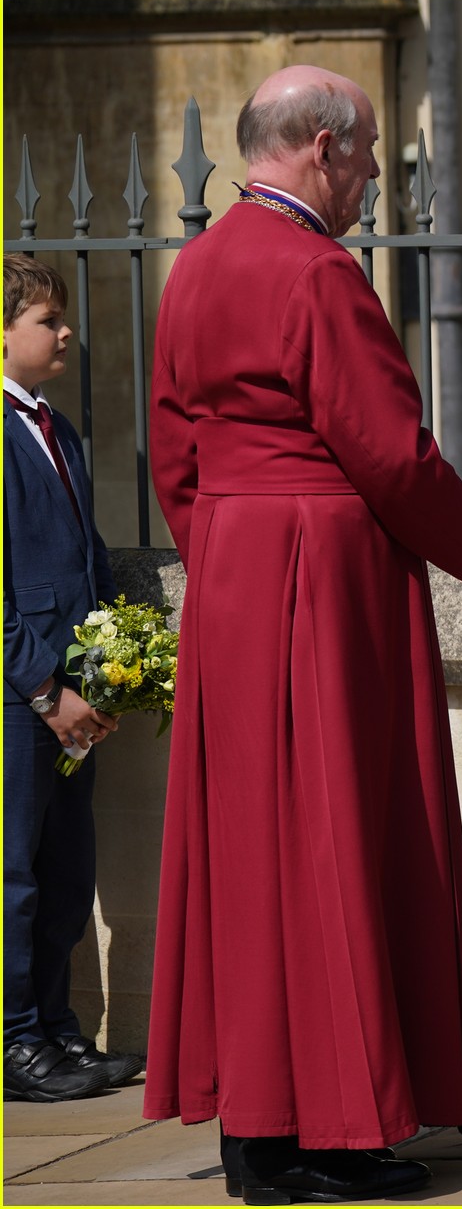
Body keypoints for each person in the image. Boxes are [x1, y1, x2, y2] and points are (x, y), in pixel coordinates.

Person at [143, 65, 462, 1203]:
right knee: (335, 840)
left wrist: (228, 550)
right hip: (327, 582)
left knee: (248, 855)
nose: (371, 179)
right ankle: (332, 1129)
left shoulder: (198, 266)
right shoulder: (318, 272)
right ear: (319, 146)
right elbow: (390, 455)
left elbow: (174, 455)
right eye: (365, 155)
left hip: (231, 571)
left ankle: (257, 1134)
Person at [4, 254, 144, 1102]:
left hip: (70, 694)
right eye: (48, 321)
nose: (66, 334)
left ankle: (58, 1033)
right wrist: (42, 690)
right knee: (15, 875)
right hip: (23, 698)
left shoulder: (56, 428)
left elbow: (84, 562)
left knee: (65, 871)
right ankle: (16, 1043)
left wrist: (96, 678)